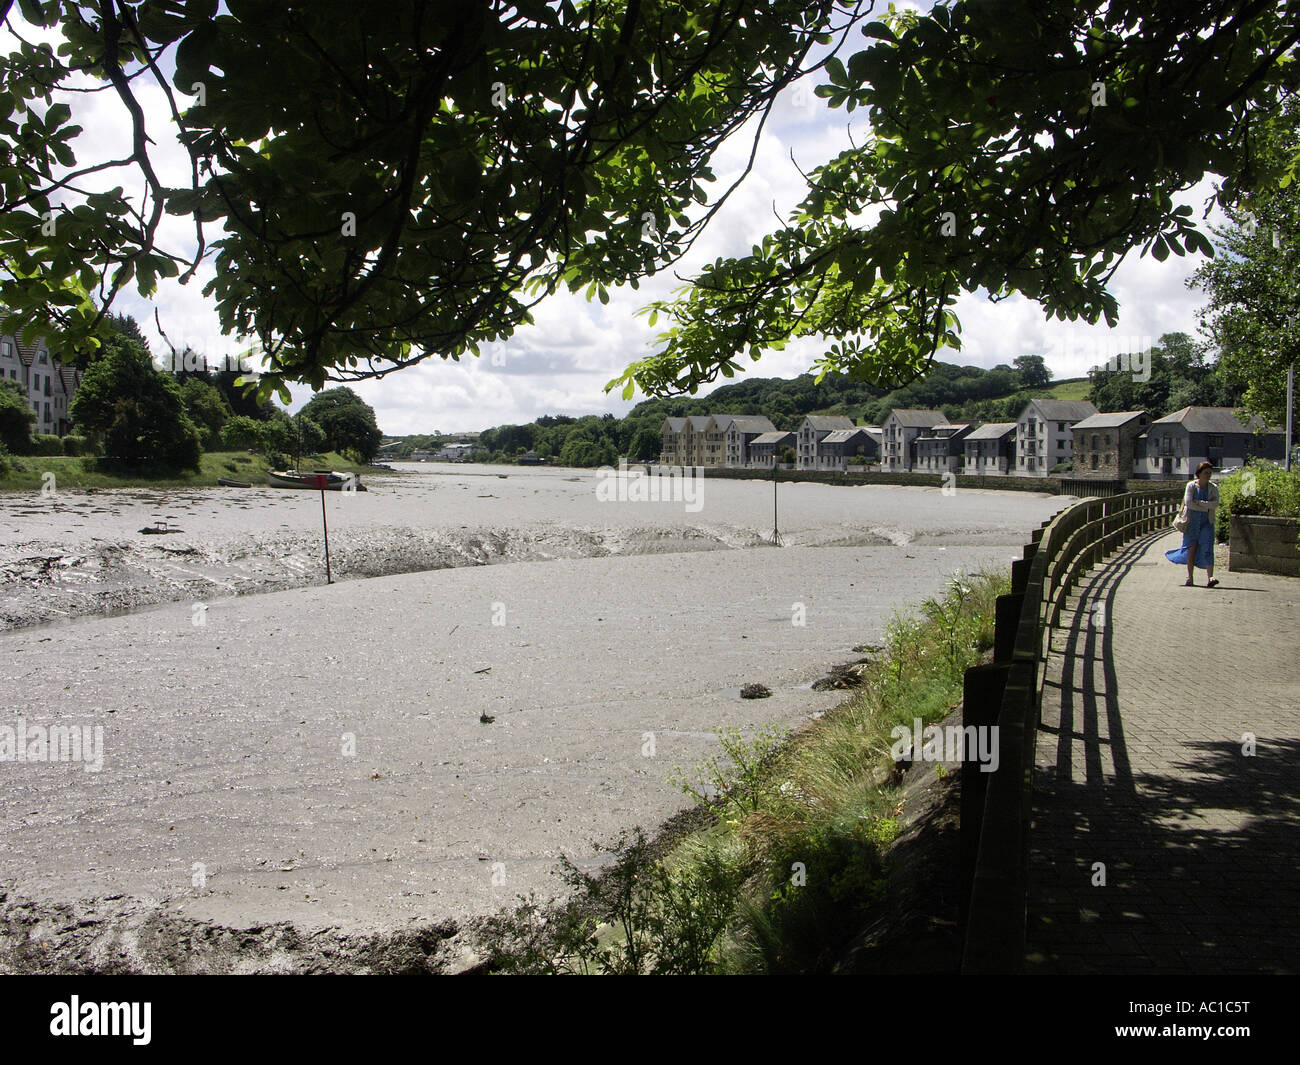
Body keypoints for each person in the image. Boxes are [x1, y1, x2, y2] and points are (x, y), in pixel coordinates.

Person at [1166, 460, 1219, 587]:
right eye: (1206, 473)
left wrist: (1200, 503)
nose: (1208, 476)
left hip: (1207, 522)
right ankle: (1190, 578)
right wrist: (1206, 506)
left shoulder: (1213, 488)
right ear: (1199, 474)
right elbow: (1189, 503)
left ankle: (1211, 577)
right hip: (1192, 522)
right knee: (1191, 549)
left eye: (1210, 473)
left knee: (1208, 548)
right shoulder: (1191, 486)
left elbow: (1215, 504)